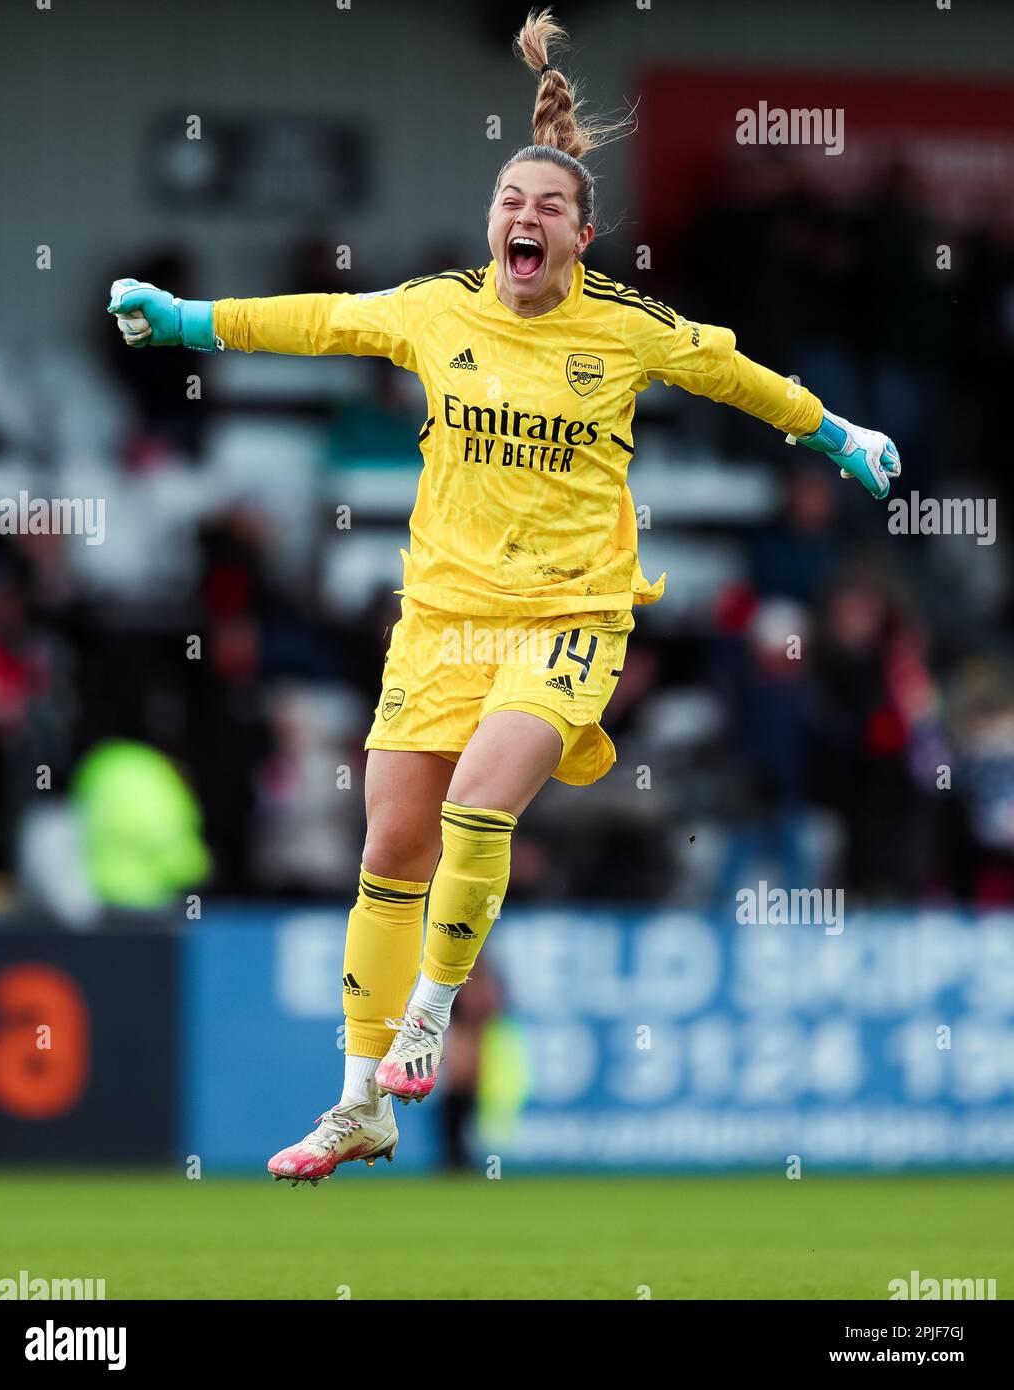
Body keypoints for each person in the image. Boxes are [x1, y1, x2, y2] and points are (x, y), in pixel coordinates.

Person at [106, 8, 900, 1184]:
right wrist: (187, 323)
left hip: (568, 618)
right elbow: (324, 321)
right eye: (509, 204)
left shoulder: (624, 331)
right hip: (437, 621)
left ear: (582, 235)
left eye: (547, 209)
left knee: (481, 806)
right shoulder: (439, 311)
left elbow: (732, 372)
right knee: (389, 846)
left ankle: (430, 1013)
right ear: (493, 224)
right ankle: (356, 1103)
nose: (522, 220)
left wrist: (834, 432)